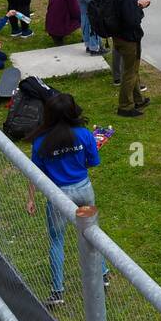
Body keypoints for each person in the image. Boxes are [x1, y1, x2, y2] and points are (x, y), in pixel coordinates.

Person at [24, 93, 102, 306]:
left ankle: (57, 291)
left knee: (57, 240)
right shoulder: (84, 135)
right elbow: (93, 162)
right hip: (84, 189)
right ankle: (102, 274)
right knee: (92, 235)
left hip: (58, 195)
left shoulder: (40, 141)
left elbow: (35, 173)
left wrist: (31, 198)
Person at [108, 0, 150, 117]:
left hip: (117, 34)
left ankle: (137, 99)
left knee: (132, 69)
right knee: (130, 71)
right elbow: (131, 19)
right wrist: (140, 7)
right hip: (128, 36)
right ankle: (125, 106)